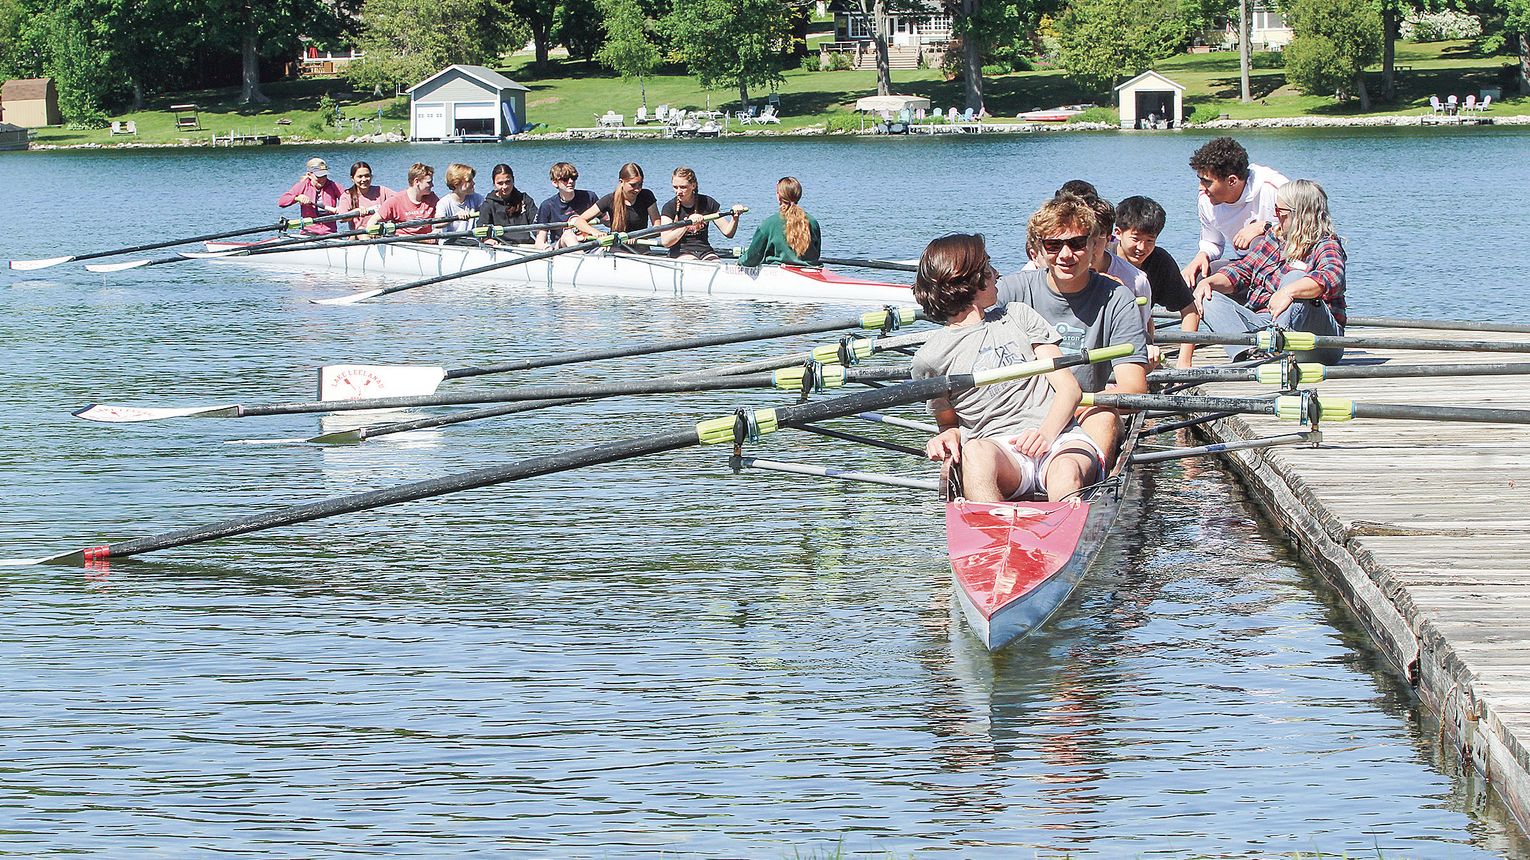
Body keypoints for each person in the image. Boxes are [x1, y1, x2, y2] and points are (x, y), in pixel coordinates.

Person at [909, 233, 1098, 503]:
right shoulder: (929, 358)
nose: (997, 274)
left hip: (1059, 440)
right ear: (969, 279)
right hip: (999, 453)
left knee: (1065, 472)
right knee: (974, 453)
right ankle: (992, 535)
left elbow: (1070, 389)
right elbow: (949, 423)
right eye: (987, 267)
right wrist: (946, 436)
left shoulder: (1018, 316)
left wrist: (1045, 434)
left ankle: (1061, 534)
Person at [997, 195, 1149, 467]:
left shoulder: (1117, 298)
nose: (1066, 255)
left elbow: (1134, 390)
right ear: (1039, 250)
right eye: (1054, 245)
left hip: (1086, 413)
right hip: (1020, 415)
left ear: (1094, 246)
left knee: (1105, 417)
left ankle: (1088, 494)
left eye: (1077, 243)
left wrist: (1065, 410)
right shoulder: (1010, 291)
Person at [1193, 179, 1348, 365]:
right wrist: (1208, 282)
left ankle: (1273, 344)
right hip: (1265, 324)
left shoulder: (1326, 244)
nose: (1276, 217)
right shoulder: (1275, 237)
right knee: (1208, 297)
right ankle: (1249, 353)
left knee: (1296, 277)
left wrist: (1288, 292)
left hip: (1316, 341)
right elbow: (1243, 270)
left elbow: (1333, 277)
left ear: (1300, 214)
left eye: (1280, 212)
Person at [1182, 137, 1289, 286]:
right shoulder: (1206, 200)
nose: (1201, 187)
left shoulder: (1275, 188)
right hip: (1245, 266)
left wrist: (1265, 227)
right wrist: (1203, 254)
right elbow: (1212, 242)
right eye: (1200, 180)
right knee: (1196, 277)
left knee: (1257, 242)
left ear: (1232, 181)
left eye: (1207, 182)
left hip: (1285, 267)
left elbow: (1310, 229)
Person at [1113, 196, 1202, 369]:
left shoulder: (1160, 261)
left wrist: (1184, 363)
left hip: (1140, 343)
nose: (1141, 248)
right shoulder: (1102, 259)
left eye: (1149, 241)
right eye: (1135, 239)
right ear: (1118, 233)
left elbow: (1190, 311)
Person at [569, 162, 661, 253]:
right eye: (633, 185)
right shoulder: (609, 199)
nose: (637, 189)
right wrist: (595, 232)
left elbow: (658, 229)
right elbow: (579, 221)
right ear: (621, 182)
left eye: (640, 184)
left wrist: (638, 236)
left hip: (642, 250)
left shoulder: (647, 195)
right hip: (617, 251)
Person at [659, 167, 743, 260]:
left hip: (705, 251)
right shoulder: (669, 207)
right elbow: (666, 241)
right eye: (675, 187)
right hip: (680, 251)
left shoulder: (708, 202)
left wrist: (735, 217)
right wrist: (687, 225)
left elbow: (728, 232)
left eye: (683, 187)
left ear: (693, 185)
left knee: (716, 265)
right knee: (693, 263)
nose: (678, 192)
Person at [739, 176, 821, 267]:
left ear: (778, 196)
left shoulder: (768, 224)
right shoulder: (813, 222)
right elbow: (816, 253)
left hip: (778, 274)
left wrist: (740, 261)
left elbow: (752, 259)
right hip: (811, 272)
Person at [534, 162, 598, 248]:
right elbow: (540, 241)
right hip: (561, 247)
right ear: (555, 182)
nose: (570, 181)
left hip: (588, 243)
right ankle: (582, 257)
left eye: (573, 178)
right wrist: (546, 248)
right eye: (565, 179)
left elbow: (606, 220)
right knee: (568, 234)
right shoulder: (547, 205)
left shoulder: (589, 197)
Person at [277, 156, 343, 236]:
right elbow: (281, 202)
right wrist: (297, 198)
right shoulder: (302, 186)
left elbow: (348, 198)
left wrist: (342, 208)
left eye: (324, 176)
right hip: (308, 233)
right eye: (319, 176)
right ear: (309, 174)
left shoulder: (333, 186)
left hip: (330, 233)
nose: (322, 179)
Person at [477, 164, 538, 246]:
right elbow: (481, 228)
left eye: (508, 182)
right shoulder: (488, 204)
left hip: (525, 245)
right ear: (494, 184)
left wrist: (540, 239)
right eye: (500, 183)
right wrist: (487, 239)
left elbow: (536, 223)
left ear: (513, 180)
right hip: (501, 247)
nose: (505, 186)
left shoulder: (525, 199)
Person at [373, 163, 440, 237]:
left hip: (427, 243)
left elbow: (440, 223)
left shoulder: (433, 198)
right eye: (429, 182)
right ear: (416, 181)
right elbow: (373, 221)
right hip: (402, 243)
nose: (432, 185)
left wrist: (435, 232)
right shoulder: (395, 200)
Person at [434, 163, 485, 245]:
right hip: (450, 243)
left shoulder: (477, 198)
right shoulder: (444, 202)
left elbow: (488, 211)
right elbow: (437, 224)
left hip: (471, 241)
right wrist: (455, 217)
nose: (474, 183)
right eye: (469, 181)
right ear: (456, 184)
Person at [339, 161, 393, 235]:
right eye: (360, 176)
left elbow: (399, 199)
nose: (364, 179)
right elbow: (342, 218)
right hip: (360, 235)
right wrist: (356, 211)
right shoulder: (347, 196)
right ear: (352, 178)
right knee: (361, 231)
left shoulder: (382, 190)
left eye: (367, 176)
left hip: (381, 233)